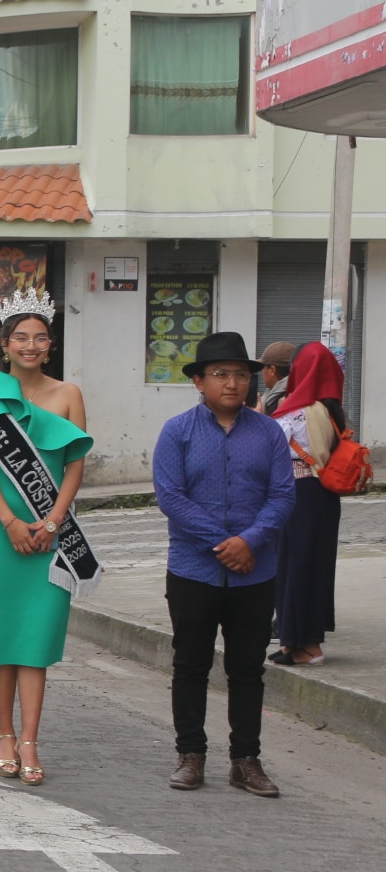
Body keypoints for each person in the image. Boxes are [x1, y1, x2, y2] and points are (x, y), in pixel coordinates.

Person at [0, 293, 95, 786]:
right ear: (5, 345)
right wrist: (11, 521)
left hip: (51, 529)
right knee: (2, 637)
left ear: (49, 345)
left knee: (36, 638)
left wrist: (53, 521)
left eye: (40, 338)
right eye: (21, 338)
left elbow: (75, 464)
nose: (30, 346)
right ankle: (4, 733)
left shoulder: (69, 393)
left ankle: (30, 738)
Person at [153, 331, 294, 798]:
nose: (231, 384)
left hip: (257, 569)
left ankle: (246, 760)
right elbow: (171, 497)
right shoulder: (178, 432)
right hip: (194, 569)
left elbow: (282, 495)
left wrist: (250, 541)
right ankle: (190, 754)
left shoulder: (269, 432)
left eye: (239, 375)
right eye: (220, 375)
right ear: (199, 382)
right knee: (190, 665)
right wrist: (224, 543)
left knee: (247, 669)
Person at [270, 341, 346, 668]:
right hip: (323, 496)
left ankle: (304, 646)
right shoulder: (333, 412)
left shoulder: (297, 412)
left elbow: (269, 443)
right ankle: (300, 642)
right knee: (314, 567)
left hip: (298, 493)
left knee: (294, 566)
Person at [258, 340, 295, 416]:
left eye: (263, 367)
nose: (262, 372)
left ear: (272, 370)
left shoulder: (282, 401)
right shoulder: (298, 393)